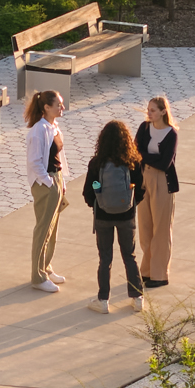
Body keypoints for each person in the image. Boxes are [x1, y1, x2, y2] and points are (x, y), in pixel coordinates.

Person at [82, 119, 147, 313]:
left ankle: (103, 300)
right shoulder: (133, 163)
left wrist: (99, 197)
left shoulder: (96, 163)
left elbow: (89, 191)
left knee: (105, 259)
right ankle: (137, 298)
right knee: (130, 256)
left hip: (103, 216)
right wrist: (129, 203)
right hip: (126, 216)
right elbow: (141, 190)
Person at [133, 94, 178, 288]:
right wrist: (144, 157)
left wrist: (143, 156)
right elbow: (134, 152)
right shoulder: (144, 128)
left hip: (162, 182)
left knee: (161, 229)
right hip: (144, 179)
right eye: (148, 109)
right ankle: (147, 270)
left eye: (153, 110)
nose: (149, 113)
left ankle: (160, 274)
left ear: (163, 111)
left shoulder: (171, 133)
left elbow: (165, 163)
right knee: (145, 227)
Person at [25, 90, 67, 292]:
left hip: (55, 179)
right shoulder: (38, 130)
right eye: (58, 105)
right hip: (45, 183)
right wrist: (49, 183)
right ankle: (38, 276)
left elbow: (59, 157)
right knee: (43, 229)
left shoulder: (53, 126)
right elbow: (34, 161)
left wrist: (61, 180)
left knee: (53, 229)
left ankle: (46, 267)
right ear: (46, 108)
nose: (62, 107)